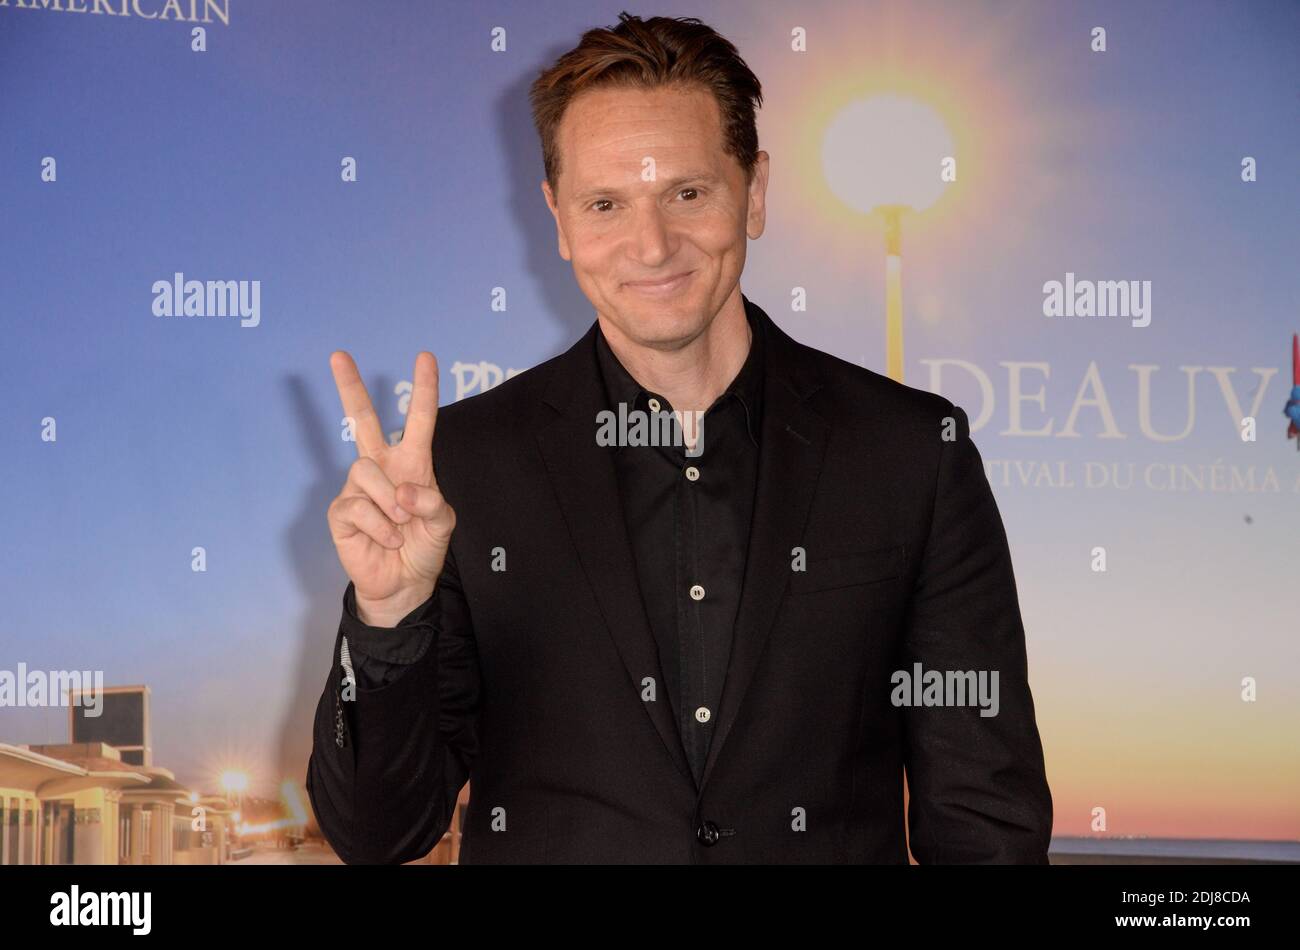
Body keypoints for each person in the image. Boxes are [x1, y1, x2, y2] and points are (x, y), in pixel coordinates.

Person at [306, 12, 1052, 864]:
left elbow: (987, 825)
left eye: (687, 193)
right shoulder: (460, 472)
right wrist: (390, 616)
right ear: (557, 218)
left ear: (755, 190)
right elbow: (379, 832)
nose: (651, 245)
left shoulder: (915, 453)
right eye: (606, 204)